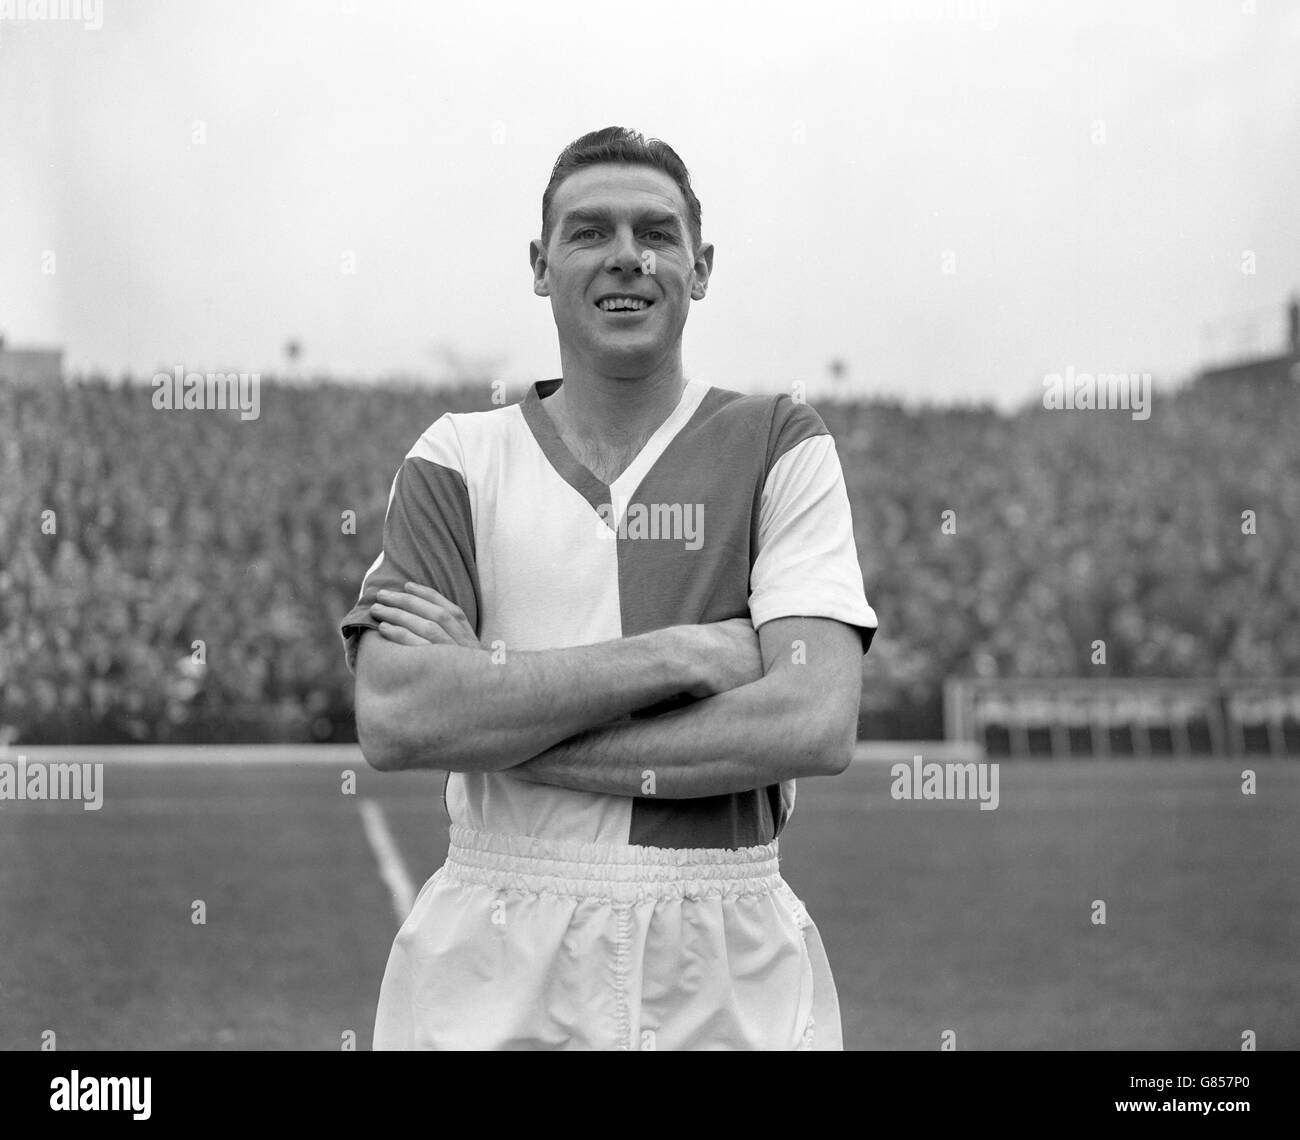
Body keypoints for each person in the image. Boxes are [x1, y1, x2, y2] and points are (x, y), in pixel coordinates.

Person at [340, 126, 877, 1050]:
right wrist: (682, 654)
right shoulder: (457, 458)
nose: (626, 256)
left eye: (656, 233)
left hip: (724, 946)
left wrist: (497, 719)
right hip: (495, 943)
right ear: (541, 264)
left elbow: (812, 722)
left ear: (699, 267)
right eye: (589, 232)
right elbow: (397, 717)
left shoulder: (780, 442)